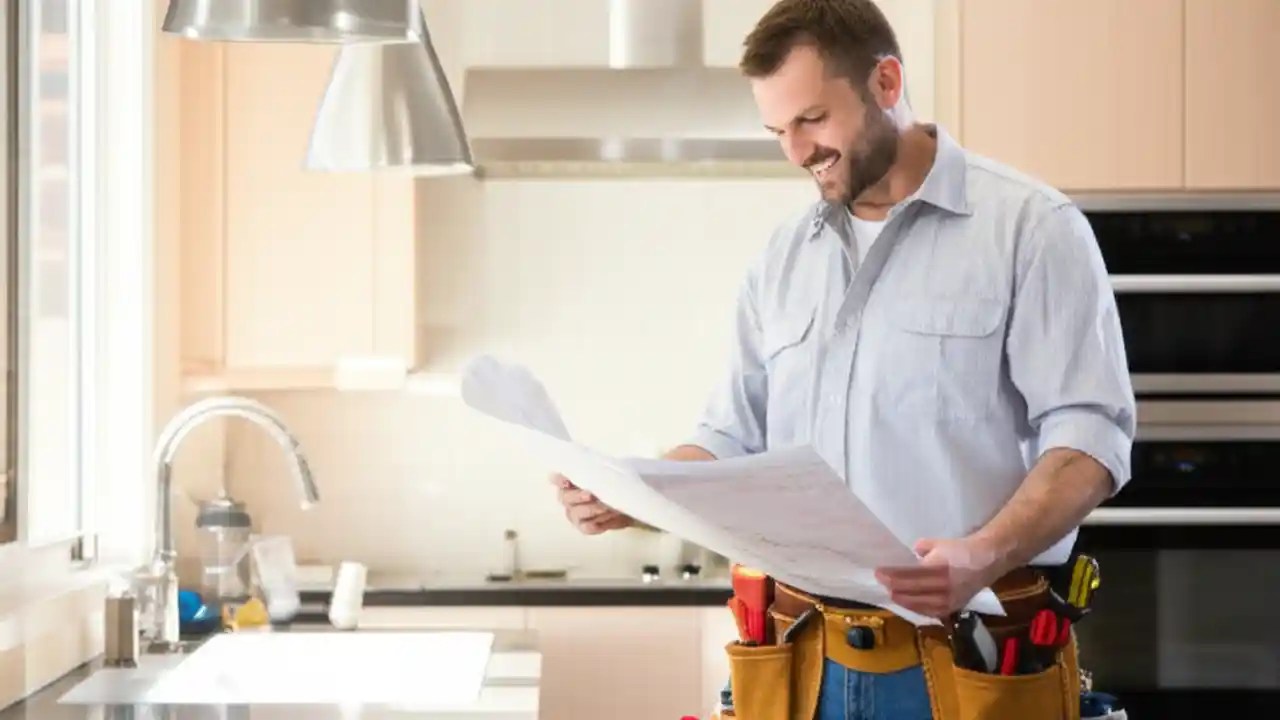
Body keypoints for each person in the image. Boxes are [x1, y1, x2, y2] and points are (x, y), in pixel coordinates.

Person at [552, 0, 1135, 717]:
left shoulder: (1031, 230)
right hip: (797, 658)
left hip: (970, 656)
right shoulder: (782, 257)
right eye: (778, 131)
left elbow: (1090, 442)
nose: (796, 152)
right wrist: (634, 494)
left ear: (886, 83)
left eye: (813, 120)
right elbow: (731, 437)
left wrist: (982, 553)